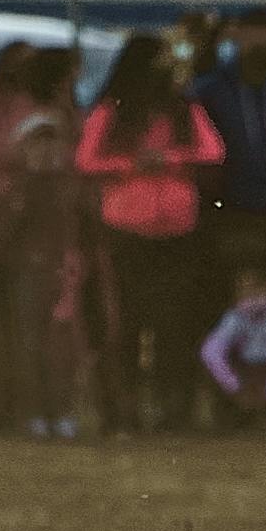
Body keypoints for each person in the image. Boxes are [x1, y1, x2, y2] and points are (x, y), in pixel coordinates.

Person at [76, 34, 224, 432]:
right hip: (125, 229)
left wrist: (170, 158)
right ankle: (121, 412)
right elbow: (86, 160)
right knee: (124, 324)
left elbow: (213, 152)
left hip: (177, 229)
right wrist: (132, 165)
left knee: (175, 325)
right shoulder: (110, 113)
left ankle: (174, 410)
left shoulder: (184, 111)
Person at [0, 106, 87, 434]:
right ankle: (35, 412)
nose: (46, 150)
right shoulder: (11, 187)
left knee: (62, 347)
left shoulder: (71, 186)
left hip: (64, 271)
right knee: (29, 344)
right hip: (28, 271)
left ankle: (62, 411)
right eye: (38, 143)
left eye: (52, 143)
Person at [192, 13, 266, 302]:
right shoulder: (210, 91)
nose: (260, 52)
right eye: (252, 43)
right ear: (238, 41)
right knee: (231, 291)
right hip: (232, 206)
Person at [201, 260, 266, 425]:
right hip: (243, 377)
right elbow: (210, 351)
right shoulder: (234, 317)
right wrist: (233, 385)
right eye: (244, 290)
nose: (250, 294)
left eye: (254, 288)